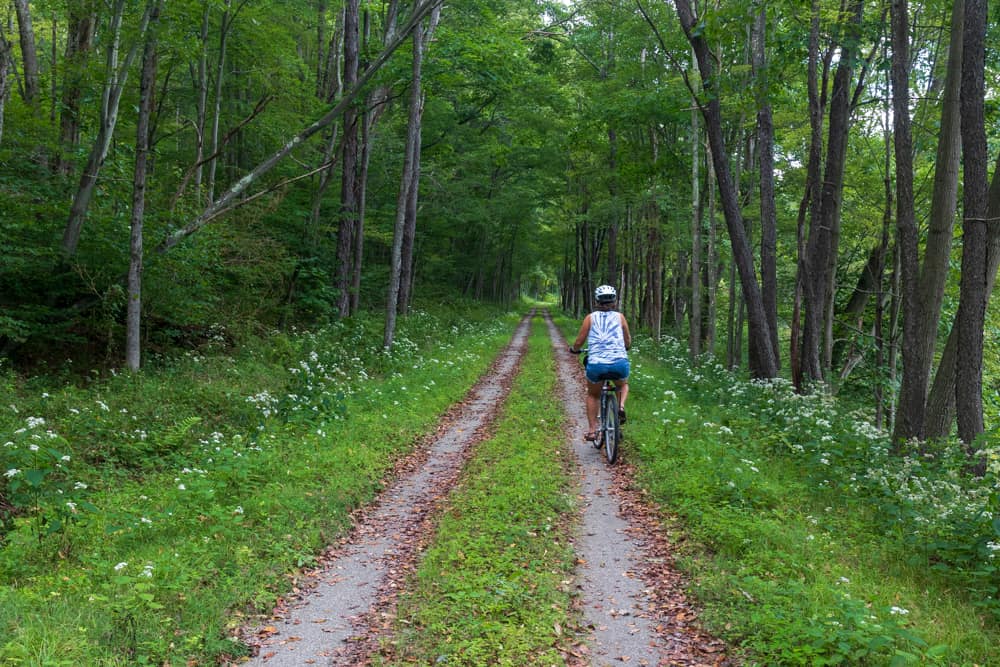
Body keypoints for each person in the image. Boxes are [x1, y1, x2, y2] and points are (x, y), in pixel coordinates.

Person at [569, 284, 631, 442]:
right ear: (614, 301)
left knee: (593, 394)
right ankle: (621, 407)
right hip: (619, 363)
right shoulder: (620, 317)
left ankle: (591, 431)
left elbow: (579, 341)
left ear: (597, 301)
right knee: (622, 385)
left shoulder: (590, 318)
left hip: (597, 364)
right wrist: (626, 347)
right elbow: (627, 340)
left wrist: (575, 349)